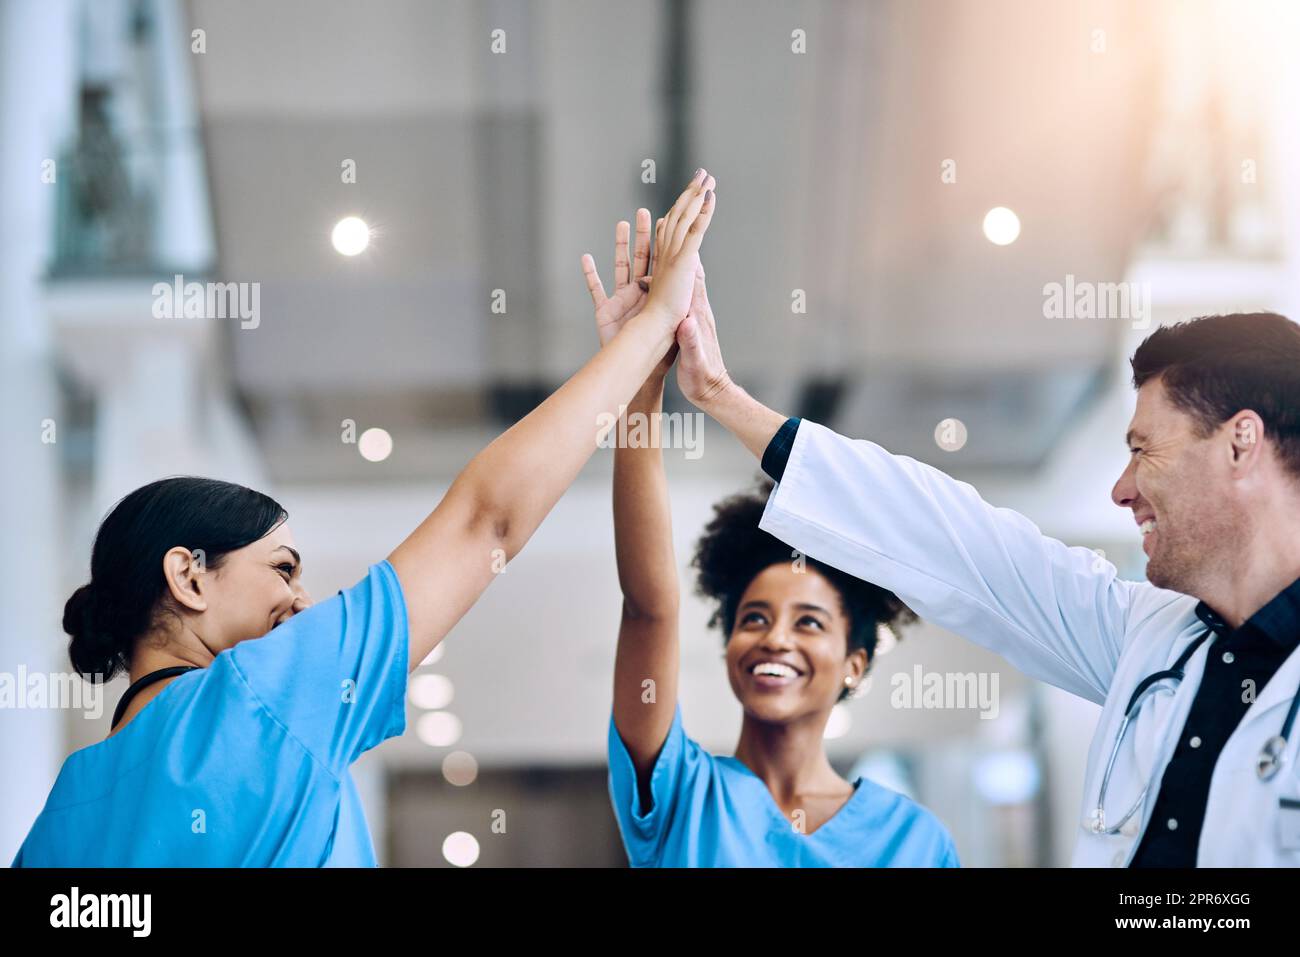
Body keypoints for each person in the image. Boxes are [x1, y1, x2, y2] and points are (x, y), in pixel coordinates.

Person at [11, 172, 717, 867]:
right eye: (281, 567)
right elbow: (485, 522)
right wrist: (652, 328)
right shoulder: (266, 690)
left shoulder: (59, 818)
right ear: (188, 576)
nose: (302, 599)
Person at [662, 278, 1300, 867]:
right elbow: (950, 539)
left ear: (1240, 443)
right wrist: (720, 395)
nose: (1121, 489)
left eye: (1142, 449)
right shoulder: (1149, 637)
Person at [582, 206, 958, 866]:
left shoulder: (915, 842)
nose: (774, 637)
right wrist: (639, 378)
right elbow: (650, 605)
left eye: (810, 622)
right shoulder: (680, 795)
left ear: (856, 663)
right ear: (730, 645)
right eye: (754, 617)